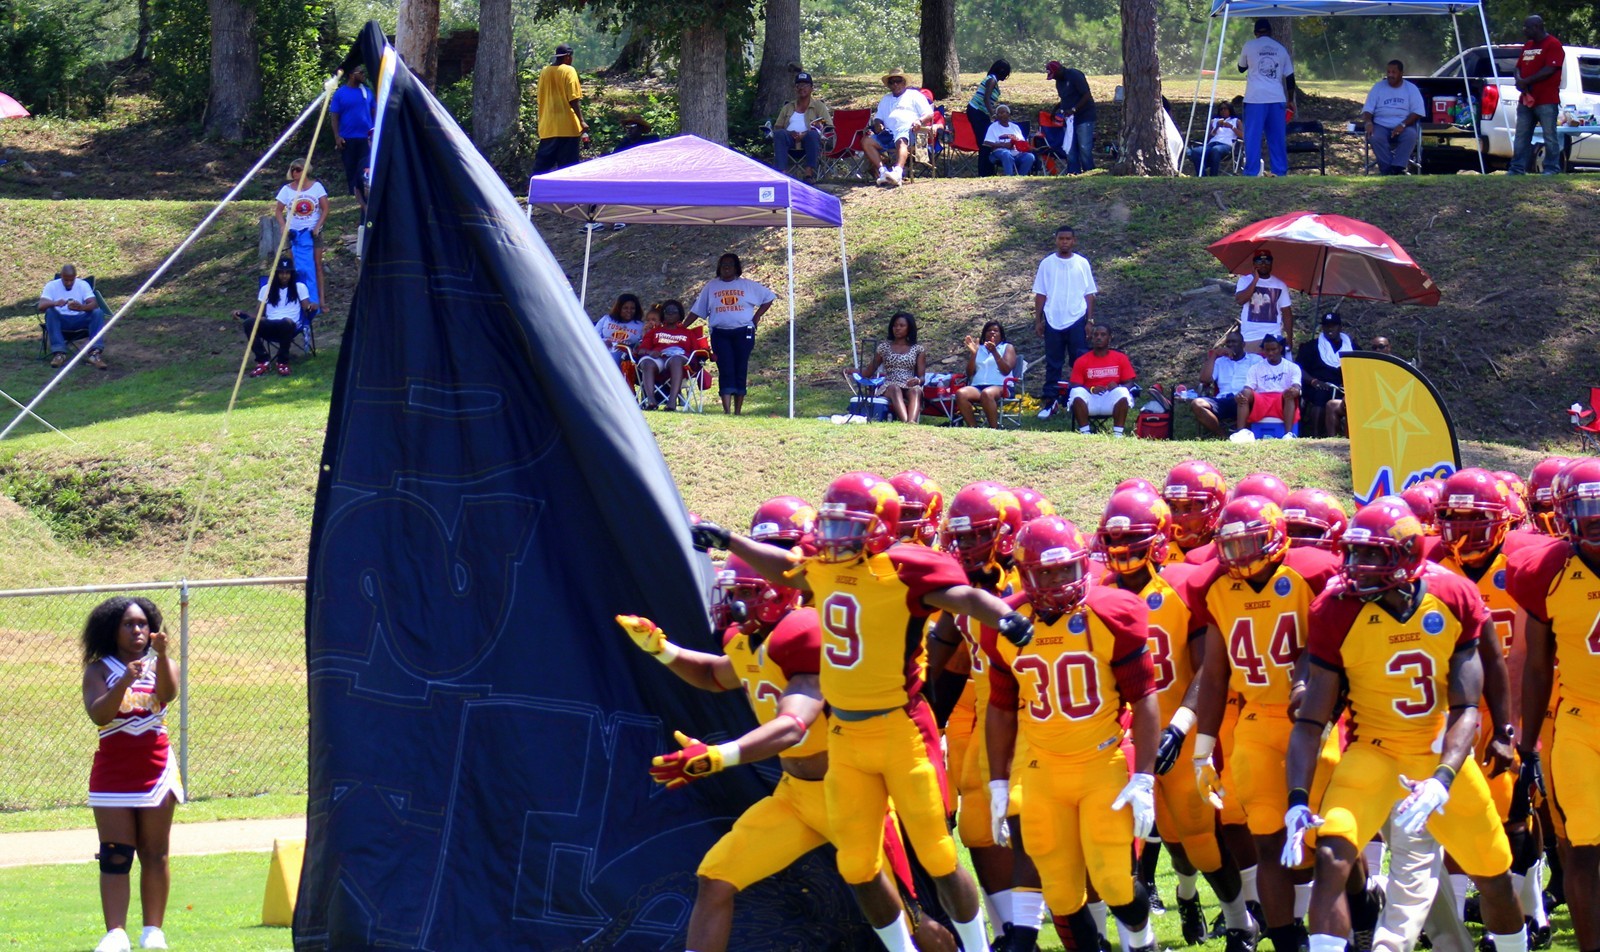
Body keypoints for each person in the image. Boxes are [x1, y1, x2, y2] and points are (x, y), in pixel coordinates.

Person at [692, 474, 1035, 952]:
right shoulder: (821, 569)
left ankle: (977, 948)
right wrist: (729, 540)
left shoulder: (901, 570)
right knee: (857, 866)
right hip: (847, 738)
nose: (834, 537)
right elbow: (785, 569)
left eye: (847, 526)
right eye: (831, 524)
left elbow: (962, 597)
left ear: (879, 528)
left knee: (938, 856)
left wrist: (1005, 617)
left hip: (900, 729)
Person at [614, 557, 950, 952]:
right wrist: (662, 649)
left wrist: (719, 756)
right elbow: (713, 674)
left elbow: (793, 725)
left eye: (746, 592)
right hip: (795, 797)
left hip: (850, 796)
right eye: (732, 592)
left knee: (911, 920)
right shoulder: (746, 642)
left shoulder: (802, 634)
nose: (735, 602)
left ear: (777, 595)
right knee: (716, 877)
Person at [1286, 498, 1529, 952]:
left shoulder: (1452, 595)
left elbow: (1466, 707)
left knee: (1493, 877)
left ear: (1406, 554)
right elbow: (1310, 719)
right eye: (1354, 552)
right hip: (1373, 750)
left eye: (1371, 553)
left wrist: (1444, 777)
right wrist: (1297, 798)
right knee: (1330, 856)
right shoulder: (1334, 608)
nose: (1357, 564)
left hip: (1438, 748)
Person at [979, 515, 1161, 952]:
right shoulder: (1008, 623)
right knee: (1060, 893)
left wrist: (1144, 777)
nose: (1059, 581)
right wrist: (999, 782)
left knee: (1115, 883)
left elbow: (1144, 699)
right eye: (1047, 572)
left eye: (1066, 569)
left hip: (1101, 762)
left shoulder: (1110, 613)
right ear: (1025, 574)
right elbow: (1000, 709)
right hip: (1043, 770)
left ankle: (1143, 942)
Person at [1099, 490, 1259, 949]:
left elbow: (1207, 666)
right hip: (1126, 735)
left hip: (1178, 729)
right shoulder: (1098, 594)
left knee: (1201, 836)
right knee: (1163, 834)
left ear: (1156, 540)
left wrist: (1182, 726)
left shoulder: (1184, 584)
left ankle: (1240, 922)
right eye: (1115, 539)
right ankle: (1175, 908)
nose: (1122, 549)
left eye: (1132, 539)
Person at [1186, 495, 1343, 952]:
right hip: (1255, 720)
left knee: (1330, 841)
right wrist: (1203, 749)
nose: (1238, 556)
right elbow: (1214, 673)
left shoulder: (1313, 573)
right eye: (1230, 546)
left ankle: (1361, 915)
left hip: (1314, 721)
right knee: (1267, 838)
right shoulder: (1215, 586)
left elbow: (1335, 651)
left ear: (1274, 538)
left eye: (1249, 543)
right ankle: (1287, 941)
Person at [1509, 457, 1600, 950]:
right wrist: (1526, 744)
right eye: (1586, 509)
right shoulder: (1547, 569)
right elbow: (1538, 665)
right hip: (1581, 719)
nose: (1596, 520)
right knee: (1583, 846)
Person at [81, 596, 182, 952]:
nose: (137, 630)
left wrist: (163, 656)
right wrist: (124, 679)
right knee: (115, 855)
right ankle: (116, 934)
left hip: (156, 770)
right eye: (128, 624)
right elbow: (100, 715)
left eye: (142, 623)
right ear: (112, 630)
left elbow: (168, 694)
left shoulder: (162, 664)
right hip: (113, 773)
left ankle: (153, 931)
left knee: (155, 852)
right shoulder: (98, 670)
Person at [691, 253, 776, 416]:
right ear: (719, 267)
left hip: (743, 332)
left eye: (730, 264)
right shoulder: (711, 287)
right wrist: (682, 326)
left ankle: (738, 411)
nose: (726, 267)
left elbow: (769, 297)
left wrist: (757, 317)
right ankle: (727, 410)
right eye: (723, 264)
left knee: (740, 367)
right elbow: (697, 310)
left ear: (737, 267)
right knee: (725, 368)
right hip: (720, 333)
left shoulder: (747, 285)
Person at [1033, 226, 1098, 420]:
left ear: (1074, 241)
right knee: (1053, 362)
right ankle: (1051, 401)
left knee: (1080, 361)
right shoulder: (1047, 264)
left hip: (1077, 318)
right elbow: (1040, 293)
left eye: (1068, 239)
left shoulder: (1082, 263)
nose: (1064, 242)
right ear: (1056, 240)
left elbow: (1089, 294)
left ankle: (1081, 400)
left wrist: (1089, 320)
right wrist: (1038, 320)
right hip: (1053, 319)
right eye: (1061, 238)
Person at [233, 257, 317, 377]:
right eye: (281, 273)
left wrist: (312, 306)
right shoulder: (266, 289)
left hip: (290, 325)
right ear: (276, 274)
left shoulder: (299, 287)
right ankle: (263, 361)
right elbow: (257, 315)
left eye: (287, 273)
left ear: (291, 274)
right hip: (270, 324)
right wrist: (242, 314)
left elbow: (307, 307)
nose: (284, 276)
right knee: (249, 323)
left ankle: (282, 362)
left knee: (286, 322)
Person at [1237, 19, 1296, 177]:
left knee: (1253, 138)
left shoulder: (1249, 45)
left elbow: (1241, 68)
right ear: (1270, 32)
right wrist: (1290, 100)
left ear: (1255, 33)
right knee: (1277, 138)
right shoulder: (1281, 49)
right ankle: (1280, 171)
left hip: (1255, 98)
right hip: (1276, 98)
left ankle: (1252, 172)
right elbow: (1290, 78)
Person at [1509, 16, 1564, 175]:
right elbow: (1517, 67)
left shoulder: (1553, 44)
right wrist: (1519, 80)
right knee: (1521, 135)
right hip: (1526, 99)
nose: (1524, 30)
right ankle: (1517, 168)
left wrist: (1526, 81)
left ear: (1537, 27)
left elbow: (1550, 69)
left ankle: (1551, 168)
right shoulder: (1528, 45)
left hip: (1546, 99)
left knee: (1549, 135)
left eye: (1526, 27)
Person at [863, 69, 935, 188]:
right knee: (866, 141)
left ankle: (897, 172)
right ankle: (883, 172)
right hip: (889, 134)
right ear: (889, 85)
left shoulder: (914, 95)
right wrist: (878, 124)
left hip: (910, 132)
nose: (895, 84)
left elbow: (929, 113)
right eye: (892, 82)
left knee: (901, 139)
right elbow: (878, 117)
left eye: (898, 81)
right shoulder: (886, 99)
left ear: (904, 82)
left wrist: (919, 121)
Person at [636, 299, 707, 411]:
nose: (670, 314)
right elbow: (641, 350)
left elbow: (695, 352)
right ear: (663, 314)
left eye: (674, 311)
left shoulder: (687, 333)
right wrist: (650, 352)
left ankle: (672, 401)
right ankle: (651, 401)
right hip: (658, 358)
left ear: (680, 315)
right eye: (667, 311)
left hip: (680, 360)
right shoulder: (655, 331)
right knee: (647, 362)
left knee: (676, 360)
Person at [1066, 323, 1136, 437]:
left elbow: (1130, 382)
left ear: (1109, 338)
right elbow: (1074, 385)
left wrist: (1118, 387)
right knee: (1076, 392)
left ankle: (1118, 435)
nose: (1099, 337)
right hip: (1090, 400)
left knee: (1122, 391)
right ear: (1091, 337)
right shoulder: (1081, 360)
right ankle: (1085, 433)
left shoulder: (1120, 358)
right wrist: (1091, 389)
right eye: (1096, 335)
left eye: (1103, 335)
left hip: (1111, 399)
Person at [274, 158, 329, 302]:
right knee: (296, 266)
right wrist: (283, 225)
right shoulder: (286, 190)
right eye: (292, 169)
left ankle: (320, 300)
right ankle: (299, 299)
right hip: (294, 233)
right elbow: (278, 211)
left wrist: (318, 226)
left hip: (313, 232)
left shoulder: (316, 187)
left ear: (305, 171)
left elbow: (325, 209)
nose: (294, 173)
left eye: (298, 170)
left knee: (317, 265)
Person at [1192, 331, 1263, 437]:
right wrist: (1214, 355)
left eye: (1234, 342)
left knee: (1244, 395)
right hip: (1222, 400)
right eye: (1228, 342)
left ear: (1243, 344)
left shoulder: (1255, 360)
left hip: (1243, 400)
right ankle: (1223, 436)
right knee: (1197, 404)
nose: (1230, 345)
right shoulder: (1220, 361)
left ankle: (1241, 435)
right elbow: (1204, 379)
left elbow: (1261, 381)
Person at [39, 263, 108, 370]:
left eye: (72, 280)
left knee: (97, 312)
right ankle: (59, 354)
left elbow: (94, 304)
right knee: (50, 312)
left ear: (75, 277)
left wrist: (81, 307)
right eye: (66, 280)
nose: (69, 283)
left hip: (79, 320)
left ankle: (94, 353)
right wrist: (55, 303)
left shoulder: (83, 285)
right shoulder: (51, 286)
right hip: (61, 320)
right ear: (61, 276)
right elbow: (41, 306)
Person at [1361, 60, 1425, 175]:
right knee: (1374, 136)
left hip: (1404, 125)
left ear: (1401, 73)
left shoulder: (1411, 89)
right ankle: (1388, 169)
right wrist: (1368, 122)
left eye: (1393, 72)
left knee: (1411, 135)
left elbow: (1418, 112)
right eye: (1388, 72)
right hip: (1381, 124)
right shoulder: (1378, 87)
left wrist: (1403, 125)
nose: (1390, 75)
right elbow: (1367, 109)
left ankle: (1397, 167)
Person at [859, 312, 925, 424]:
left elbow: (922, 377)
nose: (897, 328)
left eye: (901, 325)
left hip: (908, 384)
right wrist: (851, 371)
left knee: (916, 390)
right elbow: (869, 372)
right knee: (895, 388)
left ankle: (912, 421)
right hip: (890, 385)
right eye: (895, 325)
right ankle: (906, 422)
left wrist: (917, 381)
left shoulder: (918, 349)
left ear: (909, 328)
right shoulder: (884, 348)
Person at [531, 43, 587, 174]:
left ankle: (533, 186)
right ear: (567, 57)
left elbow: (540, 98)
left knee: (541, 169)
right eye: (571, 57)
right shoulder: (569, 70)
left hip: (548, 127)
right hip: (568, 128)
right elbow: (573, 99)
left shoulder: (544, 71)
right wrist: (582, 121)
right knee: (568, 169)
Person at [1295, 314, 1353, 438]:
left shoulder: (1352, 347)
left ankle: (1343, 436)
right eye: (1326, 326)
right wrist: (1313, 381)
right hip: (1318, 385)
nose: (1330, 329)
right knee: (1320, 396)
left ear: (1340, 327)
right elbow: (1298, 368)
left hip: (1343, 387)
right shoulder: (1311, 346)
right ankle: (1316, 436)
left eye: (1333, 326)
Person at [328, 65, 375, 213]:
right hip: (347, 138)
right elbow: (334, 116)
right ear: (351, 75)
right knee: (351, 167)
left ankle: (366, 194)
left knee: (365, 168)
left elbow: (375, 112)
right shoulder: (340, 94)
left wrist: (375, 133)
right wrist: (337, 136)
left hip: (366, 138)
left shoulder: (367, 92)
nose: (363, 75)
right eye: (360, 72)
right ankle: (354, 195)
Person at [954, 321, 1017, 429]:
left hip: (1001, 386)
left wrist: (994, 352)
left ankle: (993, 429)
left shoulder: (1007, 347)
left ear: (1001, 334)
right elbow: (969, 373)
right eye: (989, 330)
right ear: (984, 334)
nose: (992, 332)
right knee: (961, 393)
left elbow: (1006, 370)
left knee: (987, 393)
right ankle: (973, 428)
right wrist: (974, 354)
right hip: (978, 386)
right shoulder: (979, 348)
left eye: (996, 330)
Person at [1233, 249, 1295, 353]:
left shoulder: (1280, 284)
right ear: (1254, 264)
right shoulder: (1245, 280)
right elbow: (1240, 300)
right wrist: (1255, 280)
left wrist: (1289, 336)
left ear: (1271, 263)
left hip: (1274, 335)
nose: (1263, 264)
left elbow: (1287, 313)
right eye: (1259, 261)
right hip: (1250, 336)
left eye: (1267, 261)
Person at [771, 73, 833, 179]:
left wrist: (808, 132)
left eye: (805, 85)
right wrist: (789, 133)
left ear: (811, 88)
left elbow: (828, 125)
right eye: (798, 85)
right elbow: (778, 126)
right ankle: (782, 174)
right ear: (795, 88)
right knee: (779, 134)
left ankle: (809, 174)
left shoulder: (818, 106)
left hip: (809, 140)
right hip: (790, 139)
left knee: (812, 135)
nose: (801, 88)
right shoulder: (788, 107)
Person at [1238, 335, 1301, 433]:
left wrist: (1294, 391)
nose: (1270, 353)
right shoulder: (1255, 368)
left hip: (1282, 398)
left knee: (1289, 394)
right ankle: (1240, 432)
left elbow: (1296, 386)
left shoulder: (1292, 367)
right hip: (1261, 400)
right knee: (1244, 394)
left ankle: (1288, 434)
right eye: (1267, 350)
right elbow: (1248, 388)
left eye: (1273, 349)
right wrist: (1241, 395)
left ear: (1280, 348)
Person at [1047, 60, 1097, 173]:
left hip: (1084, 116)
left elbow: (1086, 95)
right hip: (1069, 119)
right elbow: (1066, 98)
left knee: (1084, 147)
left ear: (1059, 70)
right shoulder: (1059, 82)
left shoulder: (1075, 75)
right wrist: (1056, 109)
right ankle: (1073, 172)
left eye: (1054, 75)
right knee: (1070, 148)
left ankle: (1089, 172)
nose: (1054, 78)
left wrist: (1074, 109)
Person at [966, 59, 1011, 176]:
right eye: (1006, 73)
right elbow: (986, 98)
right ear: (1001, 70)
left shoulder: (993, 80)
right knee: (985, 143)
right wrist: (993, 114)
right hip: (976, 111)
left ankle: (988, 171)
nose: (1006, 76)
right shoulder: (992, 80)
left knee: (987, 142)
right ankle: (984, 173)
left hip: (982, 112)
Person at [1188, 101, 1241, 177]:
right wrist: (1217, 127)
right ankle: (1202, 176)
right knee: (1196, 151)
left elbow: (1242, 136)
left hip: (1226, 145)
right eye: (1221, 109)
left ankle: (1213, 175)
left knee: (1216, 150)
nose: (1223, 111)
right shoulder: (1214, 121)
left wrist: (1231, 127)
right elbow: (1208, 137)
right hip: (1212, 144)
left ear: (1230, 109)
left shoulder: (1236, 121)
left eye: (1225, 108)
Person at [595, 293, 645, 372]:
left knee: (613, 357)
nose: (629, 311)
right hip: (602, 349)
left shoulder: (640, 326)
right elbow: (592, 335)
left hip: (623, 354)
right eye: (625, 308)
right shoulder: (607, 319)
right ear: (619, 308)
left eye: (632, 308)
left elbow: (643, 342)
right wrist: (602, 342)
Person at [983, 105, 1036, 176]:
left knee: (1029, 157)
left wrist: (1015, 144)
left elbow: (1022, 141)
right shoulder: (993, 127)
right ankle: (1009, 177)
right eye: (1000, 113)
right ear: (997, 116)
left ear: (1009, 114)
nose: (1003, 115)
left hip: (1017, 153)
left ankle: (1021, 177)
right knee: (1006, 154)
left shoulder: (1015, 127)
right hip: (1000, 152)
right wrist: (1002, 145)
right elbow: (986, 142)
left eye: (1005, 112)